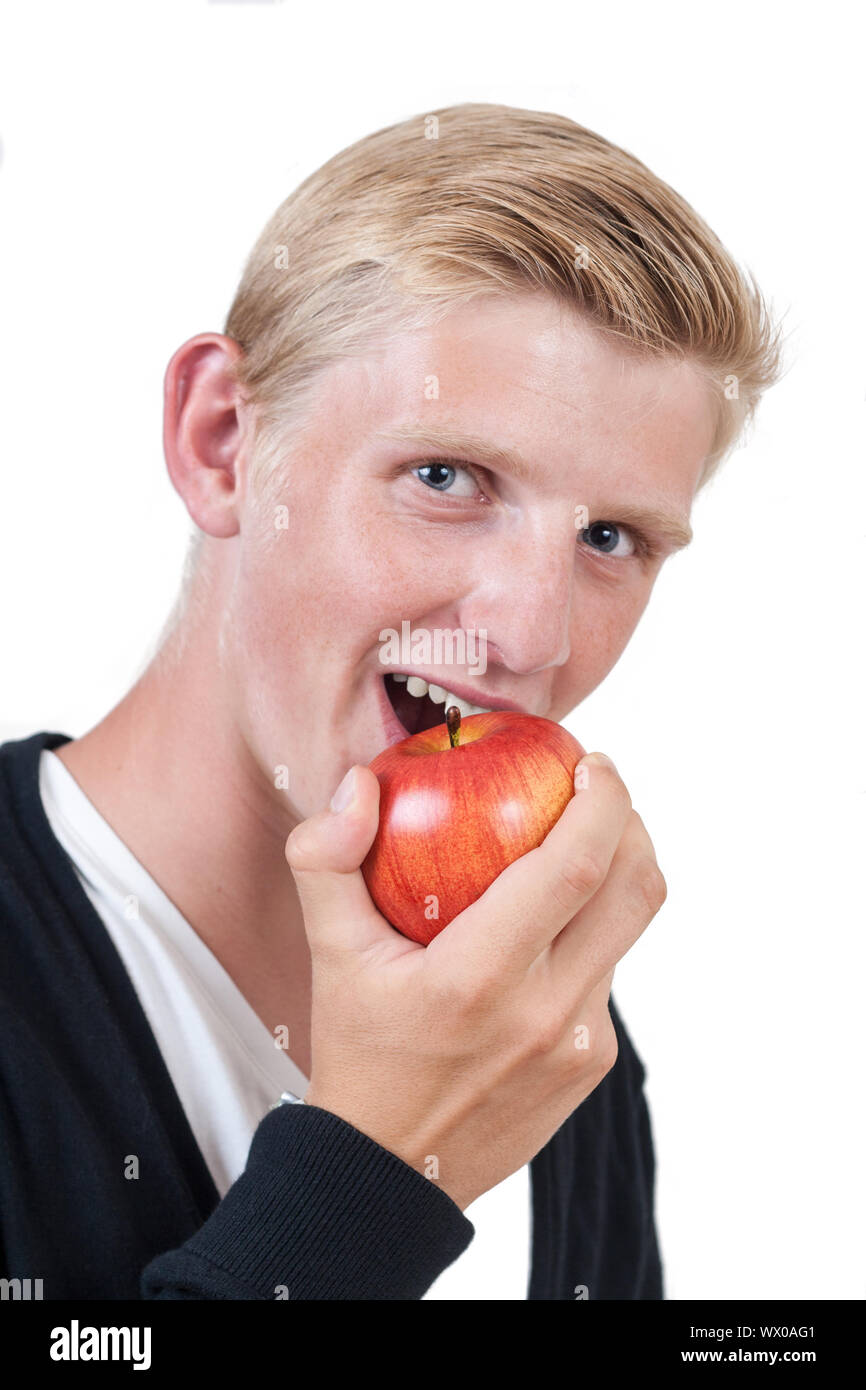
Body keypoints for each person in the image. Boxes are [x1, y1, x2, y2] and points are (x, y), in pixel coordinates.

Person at [0, 102, 784, 1301]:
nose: (530, 632)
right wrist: (369, 1172)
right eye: (445, 477)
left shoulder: (547, 1042)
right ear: (222, 444)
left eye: (612, 536)